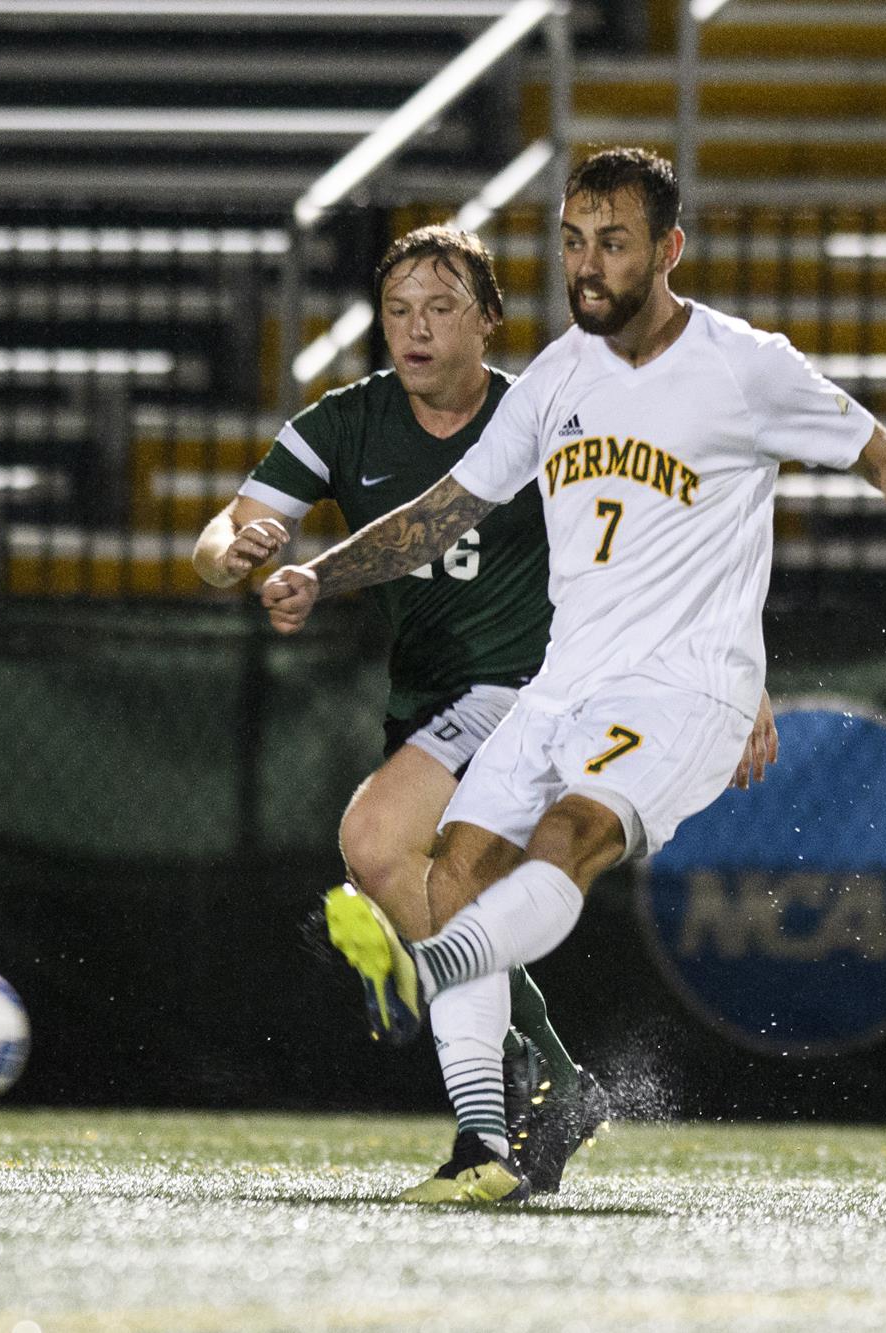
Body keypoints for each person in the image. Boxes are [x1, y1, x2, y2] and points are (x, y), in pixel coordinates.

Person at [262, 148, 886, 1205]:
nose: (586, 266)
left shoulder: (742, 365)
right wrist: (320, 575)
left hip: (684, 689)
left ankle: (436, 970)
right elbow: (443, 514)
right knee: (453, 876)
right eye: (573, 241)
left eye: (614, 242)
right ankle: (483, 1148)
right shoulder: (554, 378)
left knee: (569, 837)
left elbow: (879, 454)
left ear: (668, 249)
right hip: (562, 683)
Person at [194, 225, 620, 1198]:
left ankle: (495, 1127)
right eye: (396, 310)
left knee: (377, 836)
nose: (414, 328)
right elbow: (223, 532)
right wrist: (237, 549)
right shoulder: (344, 422)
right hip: (429, 705)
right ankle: (552, 1078)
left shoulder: (544, 422)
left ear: (487, 320)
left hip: (530, 692)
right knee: (409, 878)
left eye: (439, 307)